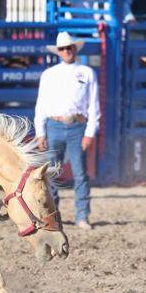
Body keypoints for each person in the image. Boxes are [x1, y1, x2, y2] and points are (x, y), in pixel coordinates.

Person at [34, 31, 99, 230]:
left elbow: (93, 106)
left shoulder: (87, 72)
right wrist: (40, 132)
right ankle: (53, 218)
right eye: (62, 48)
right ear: (59, 52)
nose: (66, 51)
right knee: (52, 174)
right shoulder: (49, 74)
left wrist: (90, 132)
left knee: (80, 173)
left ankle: (82, 216)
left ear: (74, 49)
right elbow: (41, 104)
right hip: (54, 125)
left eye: (69, 47)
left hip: (77, 126)